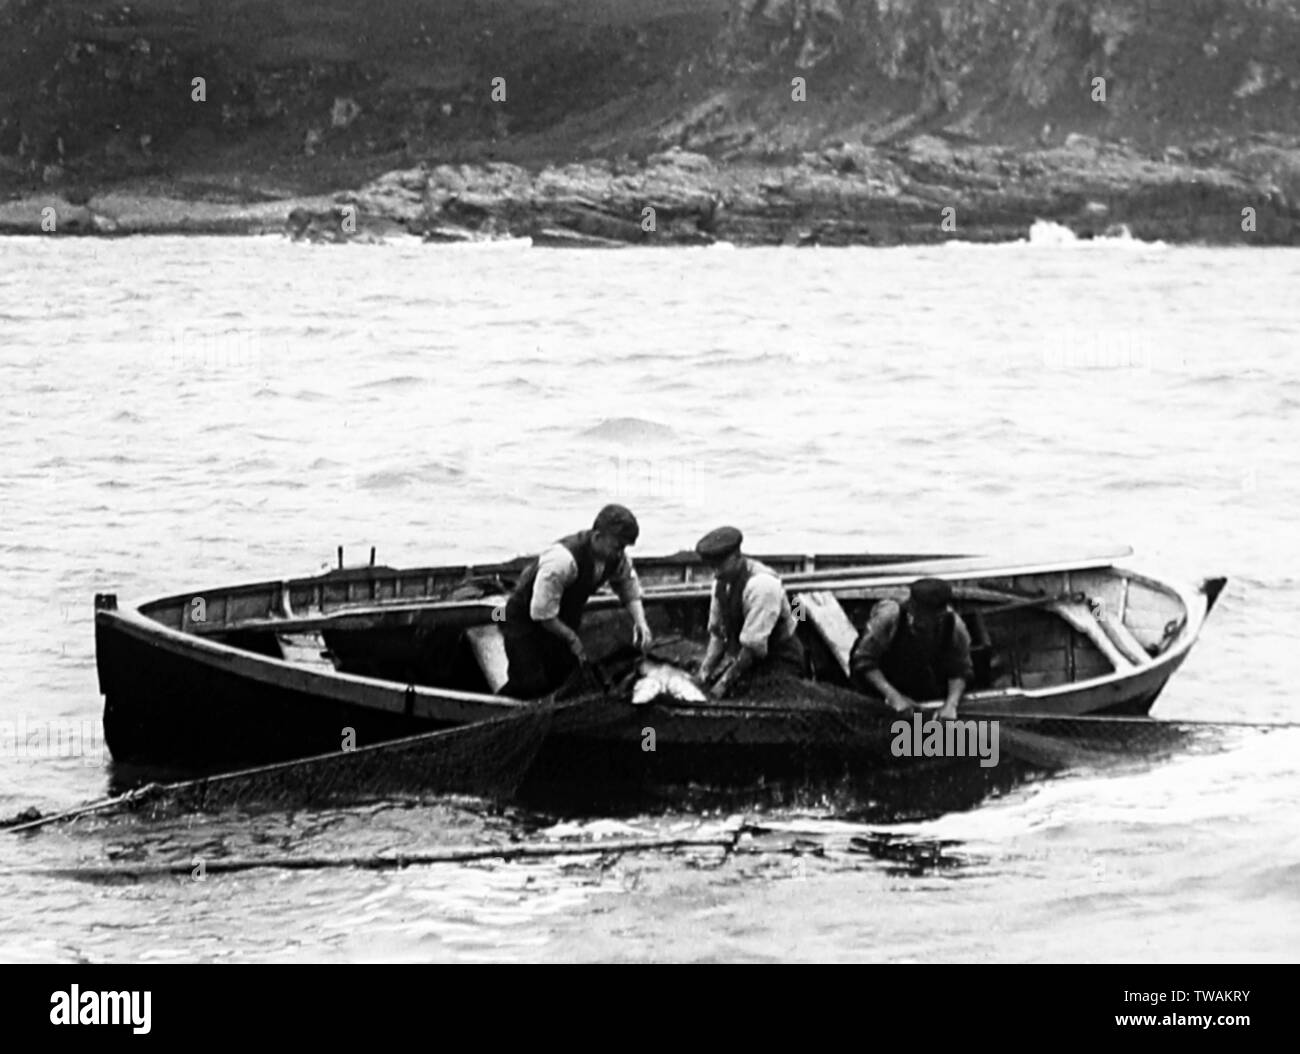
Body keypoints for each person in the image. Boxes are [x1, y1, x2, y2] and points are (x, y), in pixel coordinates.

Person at [499, 504, 653, 698]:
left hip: (564, 616)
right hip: (524, 620)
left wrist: (641, 622)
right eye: (617, 547)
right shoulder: (562, 561)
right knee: (529, 682)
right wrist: (572, 638)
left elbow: (627, 587)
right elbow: (541, 613)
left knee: (563, 677)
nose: (620, 553)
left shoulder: (616, 557)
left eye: (624, 548)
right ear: (597, 537)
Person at [694, 526, 806, 699]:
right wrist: (705, 672)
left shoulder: (762, 585)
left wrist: (724, 683)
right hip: (746, 658)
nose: (715, 574)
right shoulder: (721, 583)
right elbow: (717, 634)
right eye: (712, 568)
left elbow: (753, 647)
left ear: (737, 557)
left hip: (780, 658)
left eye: (720, 566)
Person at [849, 577, 973, 720]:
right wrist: (893, 696)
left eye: (929, 620)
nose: (921, 623)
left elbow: (960, 670)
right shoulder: (889, 616)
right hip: (878, 682)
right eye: (917, 616)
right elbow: (864, 660)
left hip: (916, 677)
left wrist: (951, 704)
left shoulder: (955, 627)